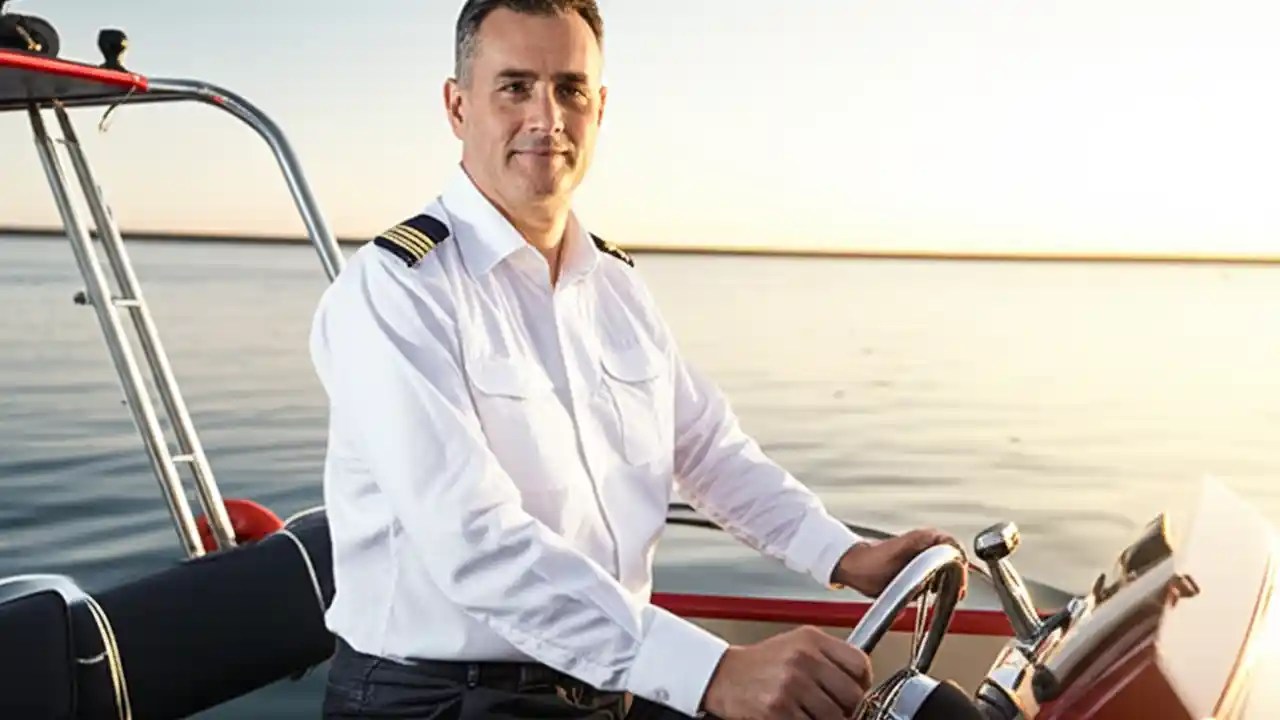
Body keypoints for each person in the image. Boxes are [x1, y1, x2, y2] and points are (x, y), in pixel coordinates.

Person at [308, 1, 965, 718]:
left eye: (570, 89)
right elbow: (474, 541)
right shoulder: (396, 290)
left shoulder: (614, 286)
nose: (546, 118)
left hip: (603, 682)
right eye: (515, 87)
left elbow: (707, 449)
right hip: (434, 700)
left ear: (600, 107)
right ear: (457, 106)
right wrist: (714, 672)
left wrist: (843, 556)